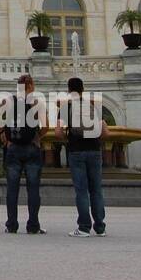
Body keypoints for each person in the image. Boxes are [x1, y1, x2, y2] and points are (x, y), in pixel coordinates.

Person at [54, 77, 107, 237]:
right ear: (83, 89)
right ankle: (100, 227)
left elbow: (57, 132)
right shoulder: (93, 106)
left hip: (76, 151)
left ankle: (84, 227)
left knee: (82, 190)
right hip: (95, 151)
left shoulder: (66, 107)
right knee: (96, 190)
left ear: (69, 90)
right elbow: (104, 131)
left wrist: (67, 140)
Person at [0, 74, 46, 234]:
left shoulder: (9, 101)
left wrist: (3, 132)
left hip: (13, 148)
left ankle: (11, 225)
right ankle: (33, 226)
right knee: (33, 189)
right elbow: (45, 127)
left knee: (12, 189)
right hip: (31, 148)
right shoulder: (36, 102)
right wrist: (37, 137)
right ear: (30, 86)